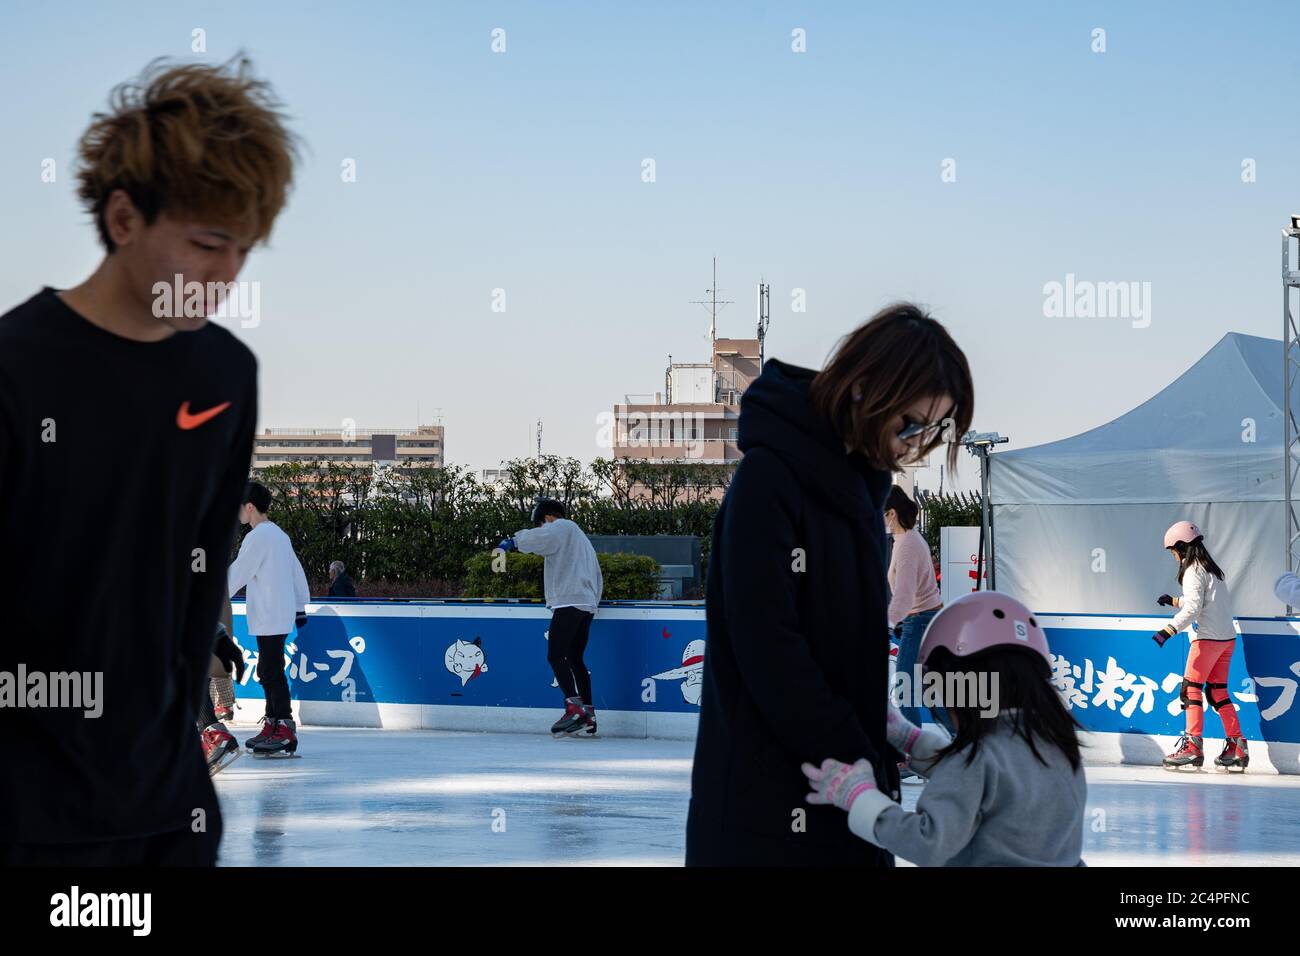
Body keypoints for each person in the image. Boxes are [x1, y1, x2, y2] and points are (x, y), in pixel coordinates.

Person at [0, 57, 293, 865]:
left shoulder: (227, 376)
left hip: (167, 811)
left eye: (243, 250)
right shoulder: (17, 368)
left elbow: (200, 592)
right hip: (26, 815)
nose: (228, 276)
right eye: (206, 244)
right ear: (123, 217)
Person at [685, 302, 974, 866]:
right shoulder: (770, 481)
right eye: (910, 424)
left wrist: (888, 730)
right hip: (766, 812)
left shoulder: (861, 490)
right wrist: (851, 748)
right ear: (865, 388)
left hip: (847, 793)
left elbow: (839, 643)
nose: (914, 445)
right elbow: (769, 648)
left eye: (932, 431)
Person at [803, 591, 1087, 866]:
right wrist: (910, 739)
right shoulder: (1057, 746)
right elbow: (998, 780)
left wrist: (862, 798)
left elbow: (929, 843)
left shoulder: (977, 759)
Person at [498, 497, 604, 737]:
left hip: (569, 600)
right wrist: (592, 603)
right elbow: (597, 573)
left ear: (546, 518)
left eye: (540, 525)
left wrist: (513, 542)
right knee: (575, 658)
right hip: (585, 604)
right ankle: (589, 714)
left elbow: (541, 538)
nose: (540, 530)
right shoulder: (580, 539)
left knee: (555, 655)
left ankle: (574, 709)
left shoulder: (561, 527)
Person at [1155, 522, 1247, 771]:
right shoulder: (1212, 570)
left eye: (1173, 551)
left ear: (1181, 547)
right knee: (1217, 692)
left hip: (1207, 640)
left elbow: (1194, 608)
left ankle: (1193, 747)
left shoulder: (1193, 570)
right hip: (1227, 640)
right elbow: (1204, 601)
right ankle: (1237, 746)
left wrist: (1168, 630)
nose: (1174, 556)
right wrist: (1174, 600)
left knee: (1190, 690)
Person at [228, 481, 311, 755]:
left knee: (271, 671)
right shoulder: (278, 535)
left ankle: (284, 727)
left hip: (270, 614)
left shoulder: (258, 537)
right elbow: (296, 571)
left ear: (249, 507)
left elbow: (239, 572)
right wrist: (299, 606)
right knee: (268, 669)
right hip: (277, 613)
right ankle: (274, 723)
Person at [884, 484, 944, 736]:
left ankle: (916, 753)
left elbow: (905, 595)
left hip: (918, 620)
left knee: (904, 686)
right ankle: (961, 743)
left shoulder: (907, 544)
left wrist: (887, 622)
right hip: (922, 618)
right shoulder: (905, 539)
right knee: (926, 689)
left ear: (892, 513)